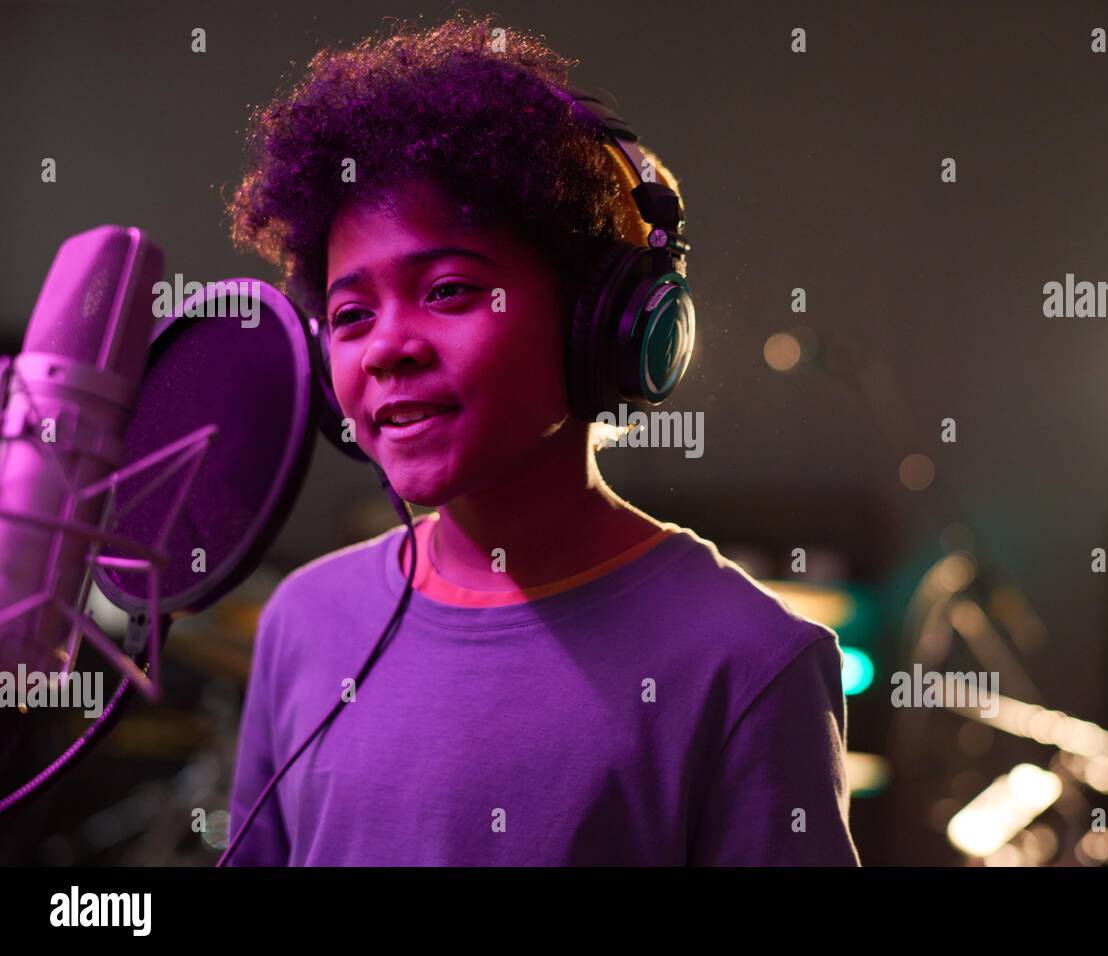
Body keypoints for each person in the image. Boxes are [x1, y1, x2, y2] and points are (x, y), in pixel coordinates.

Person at [224, 13, 860, 866]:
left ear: (600, 323)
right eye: (350, 315)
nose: (386, 347)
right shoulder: (302, 621)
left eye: (448, 291)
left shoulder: (749, 665)